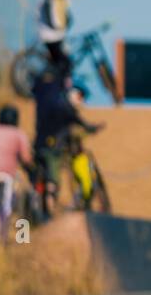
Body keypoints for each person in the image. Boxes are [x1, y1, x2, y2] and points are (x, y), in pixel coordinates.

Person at [32, 70, 102, 204]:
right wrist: (91, 128)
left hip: (39, 145)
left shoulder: (56, 103)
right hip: (52, 148)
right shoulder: (66, 108)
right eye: (80, 96)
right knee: (53, 177)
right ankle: (49, 205)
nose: (82, 100)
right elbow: (79, 122)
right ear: (72, 92)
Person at [0, 104, 32, 242]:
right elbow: (26, 158)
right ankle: (21, 238)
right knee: (9, 208)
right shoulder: (18, 134)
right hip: (7, 176)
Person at [35, 0, 74, 77]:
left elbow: (67, 16)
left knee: (65, 61)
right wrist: (57, 28)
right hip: (50, 36)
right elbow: (48, 19)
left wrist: (65, 24)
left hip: (57, 36)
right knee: (63, 63)